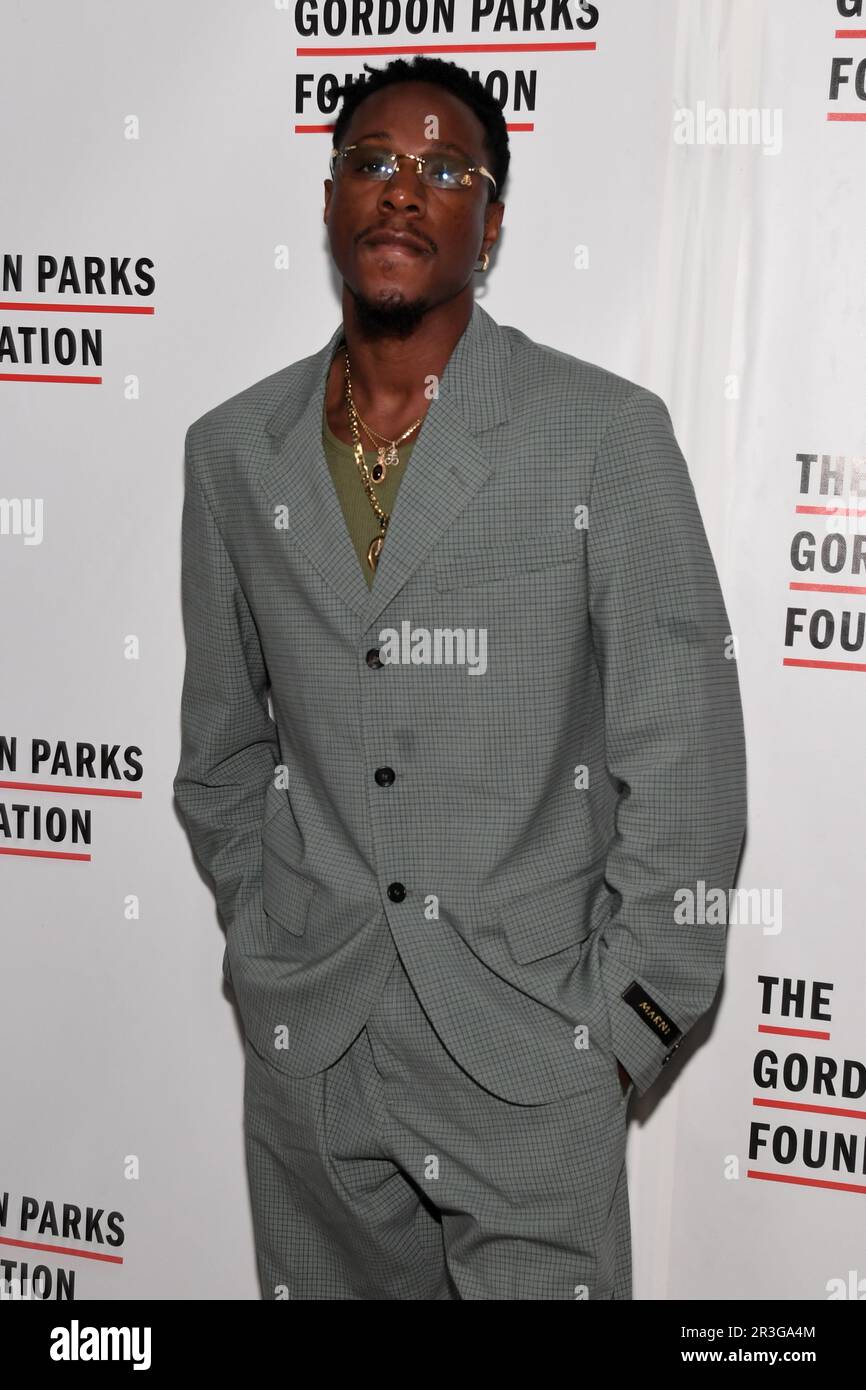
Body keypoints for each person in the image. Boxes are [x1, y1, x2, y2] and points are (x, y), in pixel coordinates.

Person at [172, 54, 747, 1300]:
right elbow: (219, 752)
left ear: (489, 226)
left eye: (445, 170)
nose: (401, 192)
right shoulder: (230, 452)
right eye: (373, 163)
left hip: (535, 1051)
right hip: (312, 1043)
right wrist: (264, 933)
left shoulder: (601, 435)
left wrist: (626, 1025)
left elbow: (687, 763)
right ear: (328, 201)